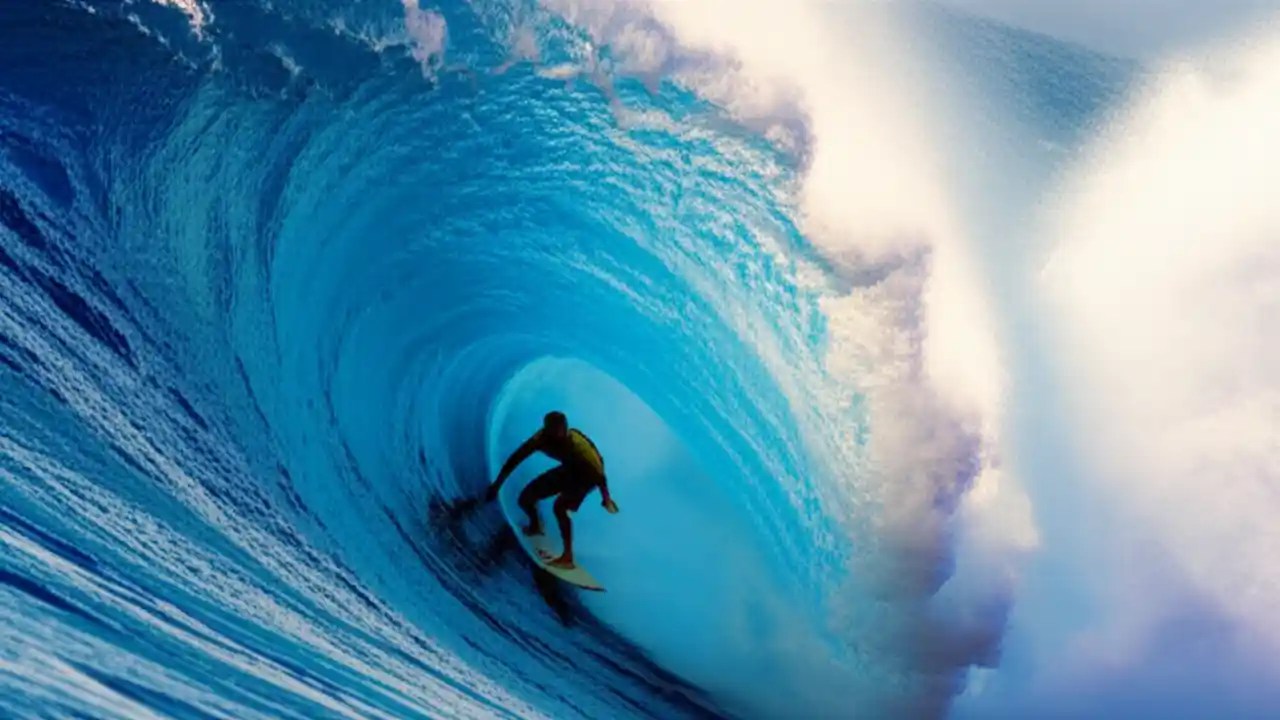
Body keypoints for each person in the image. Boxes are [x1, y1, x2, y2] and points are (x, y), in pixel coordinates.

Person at [485, 411, 618, 568]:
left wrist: (606, 499)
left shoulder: (578, 446)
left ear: (565, 428)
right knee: (525, 499)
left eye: (560, 429)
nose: (557, 433)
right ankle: (536, 526)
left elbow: (599, 474)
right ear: (546, 428)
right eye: (553, 430)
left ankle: (568, 557)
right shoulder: (540, 439)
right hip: (568, 470)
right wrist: (497, 485)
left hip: (587, 477)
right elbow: (516, 458)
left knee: (559, 508)